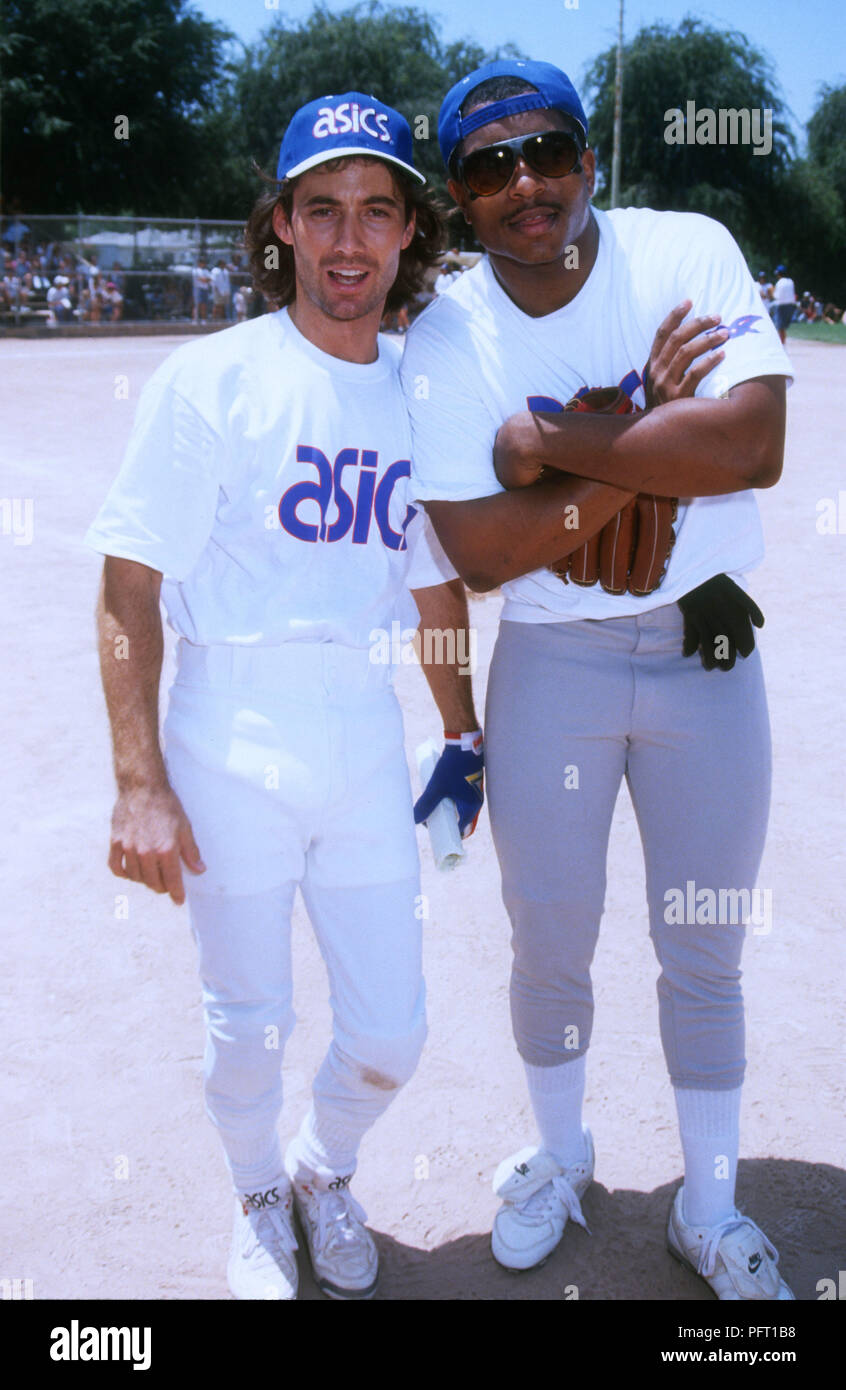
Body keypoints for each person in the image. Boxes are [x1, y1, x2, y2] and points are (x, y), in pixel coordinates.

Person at [400, 58, 794, 1301]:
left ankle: (712, 1204)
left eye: (549, 149)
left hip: (705, 647)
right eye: (488, 164)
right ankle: (562, 1155)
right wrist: (652, 435)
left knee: (705, 944)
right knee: (550, 937)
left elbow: (756, 444)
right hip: (554, 659)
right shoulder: (451, 324)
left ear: (589, 156)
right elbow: (480, 547)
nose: (526, 182)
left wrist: (544, 443)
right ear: (460, 195)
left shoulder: (684, 248)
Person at [85, 91, 484, 1302]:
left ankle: (322, 1168)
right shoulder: (213, 379)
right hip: (230, 734)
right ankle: (259, 1193)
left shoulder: (424, 388)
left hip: (363, 739)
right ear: (284, 227)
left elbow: (435, 587)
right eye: (323, 211)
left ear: (411, 230)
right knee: (248, 1018)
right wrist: (140, 780)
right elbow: (128, 586)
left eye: (377, 212)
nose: (350, 241)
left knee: (391, 1030)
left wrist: (465, 735)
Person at [771, 264, 796, 344]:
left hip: (781, 306)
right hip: (791, 306)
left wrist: (771, 292)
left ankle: (782, 344)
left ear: (778, 274)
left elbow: (776, 296)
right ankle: (783, 342)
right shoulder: (791, 281)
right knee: (783, 327)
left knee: (780, 327)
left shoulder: (779, 283)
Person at [192, 255, 213, 322]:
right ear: (198, 263)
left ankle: (203, 320)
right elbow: (201, 279)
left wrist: (205, 279)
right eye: (202, 262)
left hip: (205, 289)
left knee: (204, 305)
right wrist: (205, 279)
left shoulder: (206, 271)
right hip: (198, 289)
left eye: (204, 262)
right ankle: (194, 319)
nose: (203, 263)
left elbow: (209, 279)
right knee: (197, 305)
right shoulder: (195, 270)